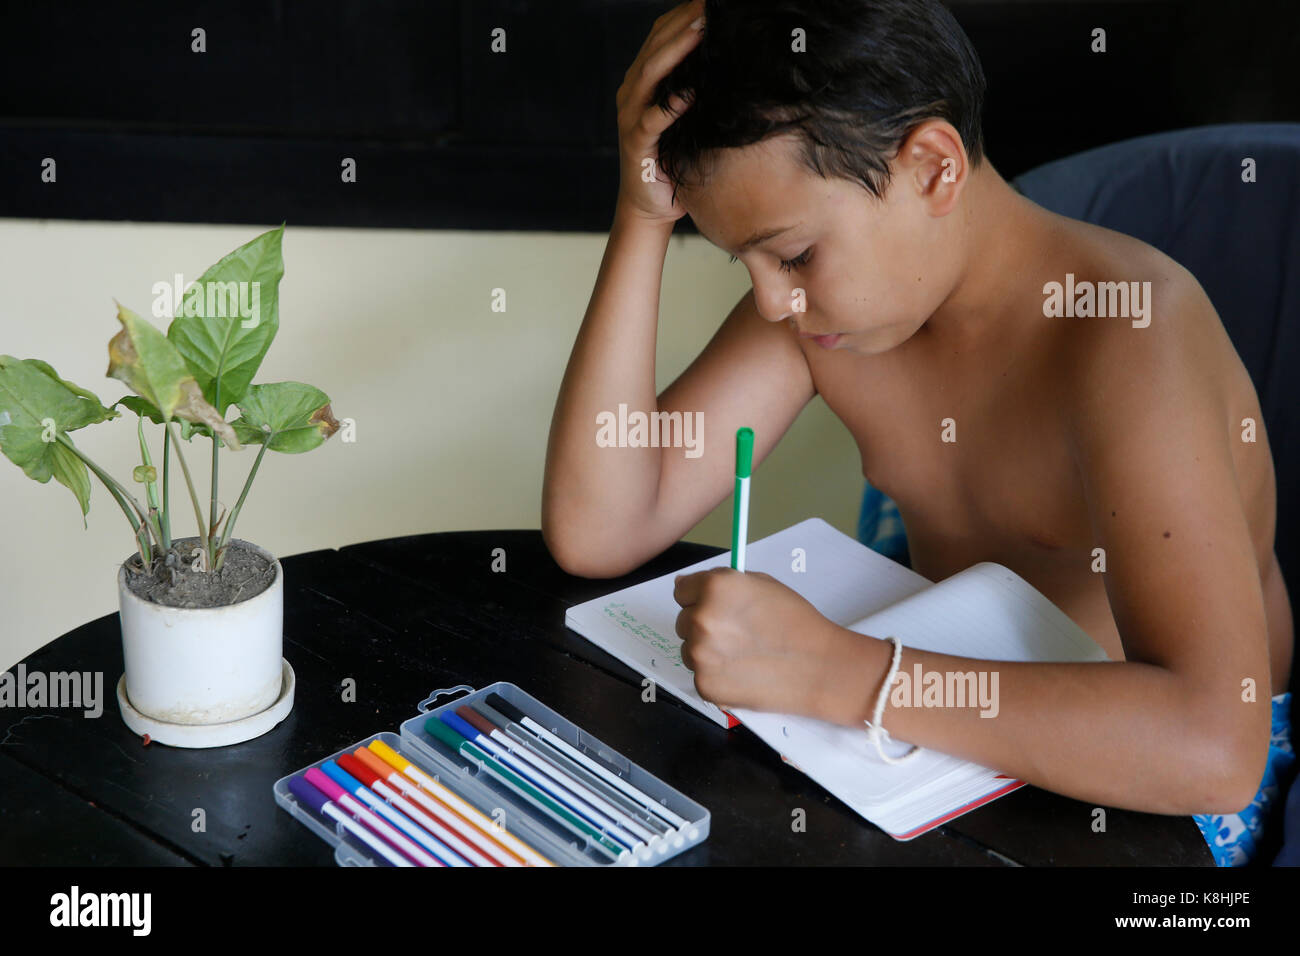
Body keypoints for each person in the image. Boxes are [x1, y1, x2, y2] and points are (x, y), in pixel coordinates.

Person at [540, 0, 1294, 865]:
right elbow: (601, 528)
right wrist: (642, 219)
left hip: (1147, 790)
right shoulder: (820, 313)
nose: (771, 300)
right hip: (927, 738)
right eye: (741, 259)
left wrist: (840, 672)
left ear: (934, 168)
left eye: (791, 255)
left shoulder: (1127, 334)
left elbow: (1213, 750)